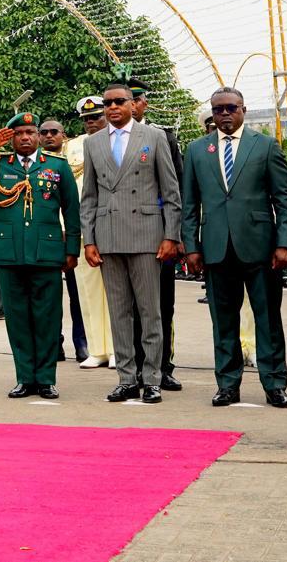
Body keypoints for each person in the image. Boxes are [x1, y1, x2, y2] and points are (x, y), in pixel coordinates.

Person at [181, 87, 287, 408]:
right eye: (218, 109)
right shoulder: (197, 150)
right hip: (216, 247)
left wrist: (284, 243)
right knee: (223, 320)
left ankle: (275, 384)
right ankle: (227, 384)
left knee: (268, 319)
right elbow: (189, 204)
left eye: (231, 108)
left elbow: (283, 199)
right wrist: (191, 246)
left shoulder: (265, 145)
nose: (225, 114)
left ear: (243, 109)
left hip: (260, 246)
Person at [0, 113, 80, 399]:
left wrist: (72, 249)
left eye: (30, 132)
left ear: (38, 136)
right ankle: (25, 378)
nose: (25, 137)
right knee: (17, 318)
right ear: (11, 138)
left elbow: (72, 210)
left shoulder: (57, 166)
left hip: (47, 253)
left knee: (47, 318)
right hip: (8, 254)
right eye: (19, 133)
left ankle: (46, 379)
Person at [80, 83, 183, 404]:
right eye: (108, 103)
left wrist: (171, 235)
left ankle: (152, 378)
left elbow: (171, 191)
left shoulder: (154, 137)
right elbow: (89, 197)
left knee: (150, 312)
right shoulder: (93, 142)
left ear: (132, 104)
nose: (113, 107)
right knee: (119, 313)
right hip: (108, 236)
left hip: (146, 235)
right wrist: (89, 240)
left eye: (119, 102)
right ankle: (126, 379)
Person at [129, 73, 184, 392]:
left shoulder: (163, 137)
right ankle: (135, 368)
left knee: (163, 305)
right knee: (129, 308)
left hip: (159, 236)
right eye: (125, 100)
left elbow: (177, 189)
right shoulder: (107, 141)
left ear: (144, 104)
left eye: (136, 100)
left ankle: (163, 366)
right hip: (124, 235)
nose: (131, 105)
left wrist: (176, 236)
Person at [65, 97, 115, 369]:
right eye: (86, 119)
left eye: (96, 117)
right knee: (88, 291)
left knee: (117, 292)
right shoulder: (71, 147)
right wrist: (65, 228)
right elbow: (65, 192)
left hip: (113, 225)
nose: (91, 122)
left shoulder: (119, 140)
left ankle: (119, 349)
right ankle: (97, 350)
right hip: (84, 228)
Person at [40, 118, 87, 362]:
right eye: (44, 133)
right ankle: (53, 344)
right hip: (47, 237)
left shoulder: (75, 159)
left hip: (71, 236)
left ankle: (82, 343)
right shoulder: (35, 163)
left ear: (63, 135)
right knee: (49, 297)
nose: (49, 136)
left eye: (54, 132)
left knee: (78, 294)